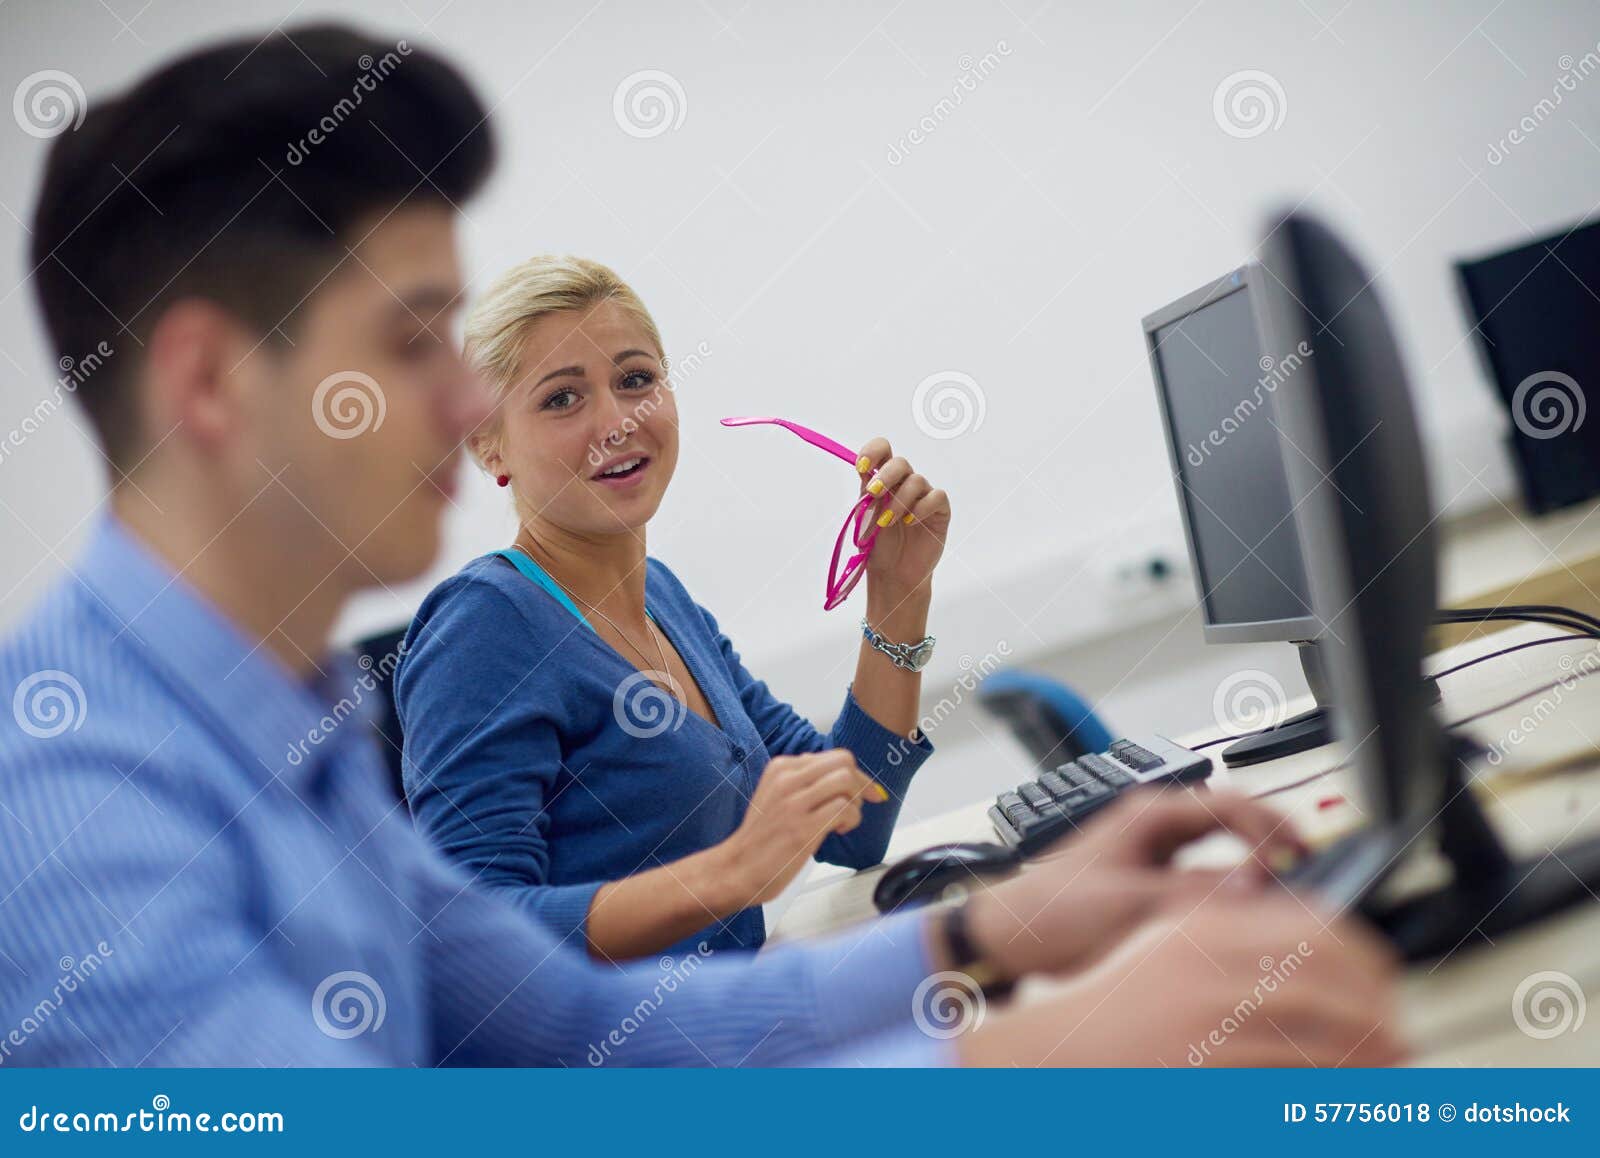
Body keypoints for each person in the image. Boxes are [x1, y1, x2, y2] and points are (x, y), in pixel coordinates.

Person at [0, 22, 1405, 1069]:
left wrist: (988, 935)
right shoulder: (69, 787)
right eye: (413, 339)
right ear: (203, 385)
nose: (461, 395)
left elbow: (565, 1015)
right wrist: (1022, 1055)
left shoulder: (280, 721)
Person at [394, 254, 949, 961]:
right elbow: (476, 943)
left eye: (636, 380)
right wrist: (731, 873)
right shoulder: (484, 626)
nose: (618, 422)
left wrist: (899, 599)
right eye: (562, 398)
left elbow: (853, 820)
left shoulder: (664, 599)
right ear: (487, 443)